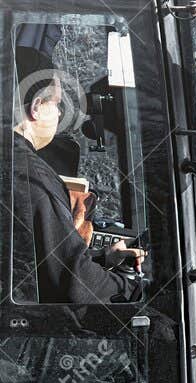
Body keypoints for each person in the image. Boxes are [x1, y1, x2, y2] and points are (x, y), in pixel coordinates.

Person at [11, 45, 142, 304]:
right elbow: (72, 284)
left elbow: (33, 262)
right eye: (57, 104)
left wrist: (101, 258)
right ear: (36, 107)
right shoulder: (32, 180)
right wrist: (133, 292)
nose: (59, 113)